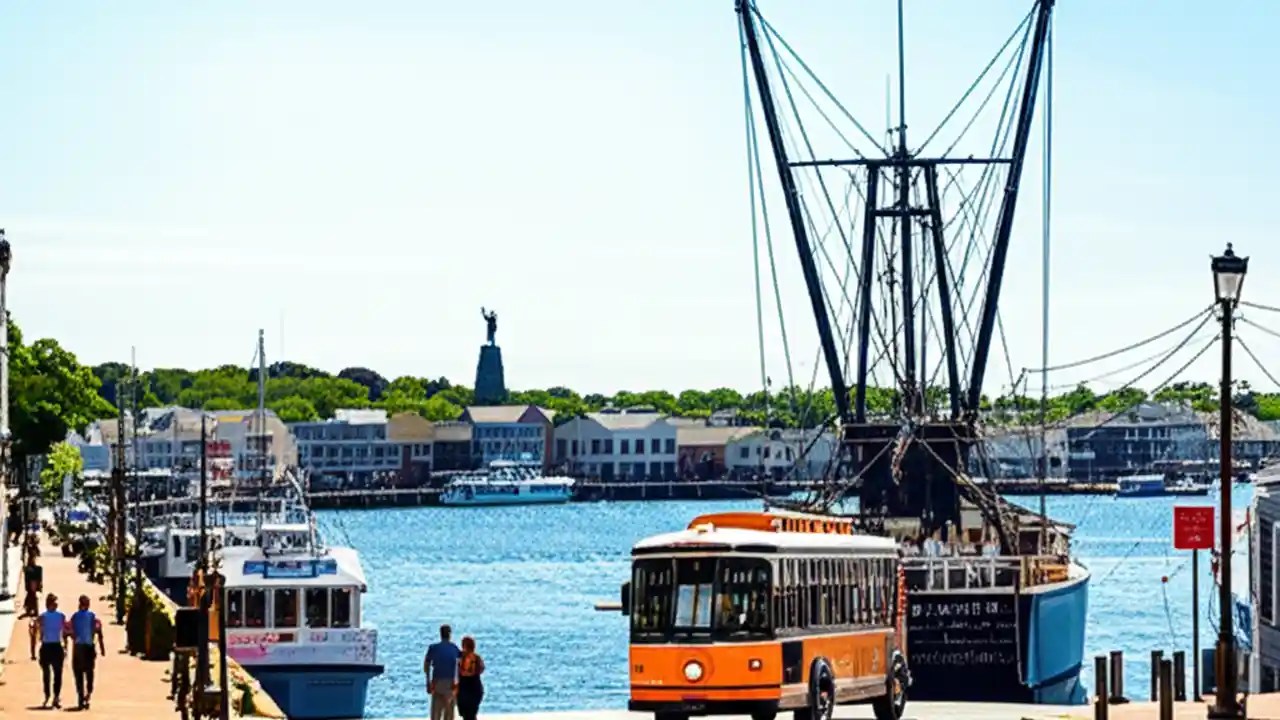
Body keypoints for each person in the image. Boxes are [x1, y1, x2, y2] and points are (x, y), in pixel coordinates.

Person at [70, 594, 105, 709]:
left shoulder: (74, 616)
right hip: (89, 647)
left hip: (78, 647)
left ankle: (81, 697)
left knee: (78, 674)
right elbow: (98, 631)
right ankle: (88, 694)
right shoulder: (92, 616)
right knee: (89, 673)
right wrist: (102, 647)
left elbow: (70, 631)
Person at [36, 593, 68, 709]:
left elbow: (64, 632)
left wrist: (65, 646)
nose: (56, 604)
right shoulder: (43, 616)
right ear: (49, 604)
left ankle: (56, 696)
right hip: (47, 645)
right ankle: (47, 694)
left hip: (55, 645)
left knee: (57, 674)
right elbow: (37, 628)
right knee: (47, 674)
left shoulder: (60, 616)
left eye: (56, 602)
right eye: (54, 602)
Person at [423, 624, 460, 720]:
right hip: (450, 684)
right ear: (449, 634)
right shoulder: (454, 648)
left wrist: (427, 681)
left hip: (437, 682)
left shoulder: (433, 648)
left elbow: (426, 664)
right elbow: (461, 664)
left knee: (436, 714)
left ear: (440, 634)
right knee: (449, 714)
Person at [456, 636, 486, 720]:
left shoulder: (461, 657)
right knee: (470, 715)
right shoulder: (476, 657)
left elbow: (461, 672)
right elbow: (482, 669)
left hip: (466, 689)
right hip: (474, 688)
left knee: (467, 714)